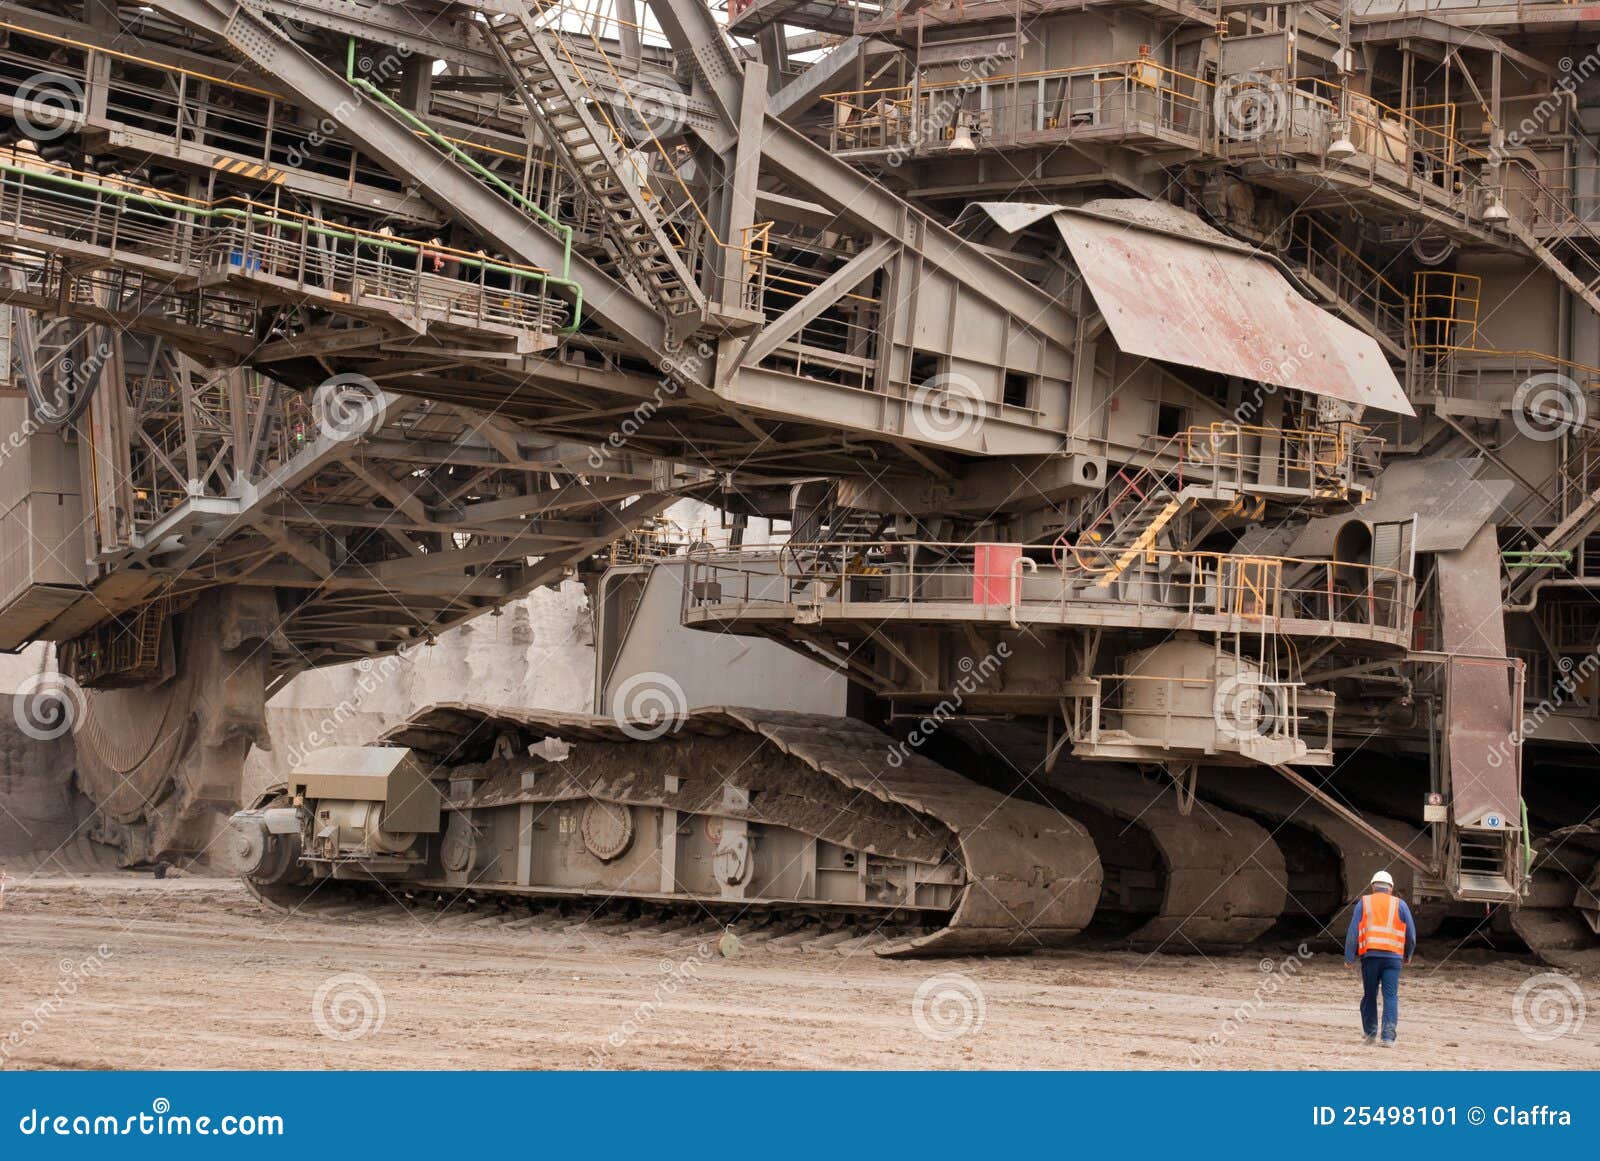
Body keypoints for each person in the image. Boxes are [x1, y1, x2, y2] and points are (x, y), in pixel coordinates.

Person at [1343, 869, 1416, 1047]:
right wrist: (1408, 954)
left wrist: (1349, 957)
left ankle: (1370, 1033)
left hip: (1370, 957)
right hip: (1393, 958)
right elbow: (1411, 934)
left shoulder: (1364, 903)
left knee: (1370, 995)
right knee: (1390, 996)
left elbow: (1352, 932)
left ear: (1373, 887)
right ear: (1390, 888)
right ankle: (1388, 1037)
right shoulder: (1400, 904)